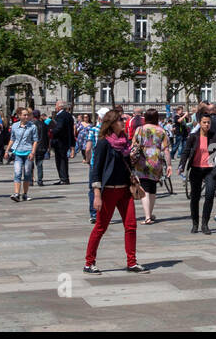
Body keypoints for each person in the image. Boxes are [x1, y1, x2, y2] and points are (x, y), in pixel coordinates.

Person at [84, 109, 147, 273]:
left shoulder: (124, 141)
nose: (123, 122)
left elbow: (128, 165)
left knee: (131, 226)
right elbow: (96, 170)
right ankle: (89, 262)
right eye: (120, 120)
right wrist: (97, 195)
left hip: (125, 190)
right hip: (108, 191)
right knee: (100, 227)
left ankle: (132, 262)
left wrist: (134, 157)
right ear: (112, 123)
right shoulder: (104, 143)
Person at [180, 111, 216, 233]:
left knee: (210, 195)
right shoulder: (193, 137)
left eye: (208, 122)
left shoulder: (215, 136)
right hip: (196, 169)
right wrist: (182, 164)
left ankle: (205, 224)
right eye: (204, 122)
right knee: (195, 197)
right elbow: (186, 151)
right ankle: (195, 223)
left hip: (210, 170)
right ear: (199, 123)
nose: (206, 125)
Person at [131, 108, 171, 224]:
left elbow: (134, 144)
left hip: (142, 160)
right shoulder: (161, 130)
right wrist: (169, 165)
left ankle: (147, 216)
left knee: (144, 187)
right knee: (152, 187)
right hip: (156, 160)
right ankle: (150, 213)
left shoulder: (140, 129)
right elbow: (166, 149)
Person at [4, 108, 39, 203]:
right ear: (19, 116)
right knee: (17, 173)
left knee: (27, 174)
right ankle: (16, 194)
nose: (26, 117)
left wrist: (33, 152)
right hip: (18, 152)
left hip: (28, 152)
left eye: (27, 115)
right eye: (24, 115)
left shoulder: (32, 126)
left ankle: (25, 194)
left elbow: (35, 140)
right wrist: (7, 150)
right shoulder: (15, 126)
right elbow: (12, 139)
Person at [50, 101, 75, 184]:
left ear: (60, 107)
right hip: (66, 140)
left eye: (56, 105)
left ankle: (63, 178)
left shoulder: (60, 116)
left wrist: (51, 132)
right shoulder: (68, 115)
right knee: (63, 159)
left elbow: (59, 127)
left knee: (60, 160)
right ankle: (64, 178)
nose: (55, 107)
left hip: (59, 141)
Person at [30, 109, 50, 186]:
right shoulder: (44, 124)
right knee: (39, 164)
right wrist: (47, 146)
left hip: (33, 146)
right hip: (42, 146)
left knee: (30, 164)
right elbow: (47, 136)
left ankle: (31, 180)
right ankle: (40, 180)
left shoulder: (31, 124)